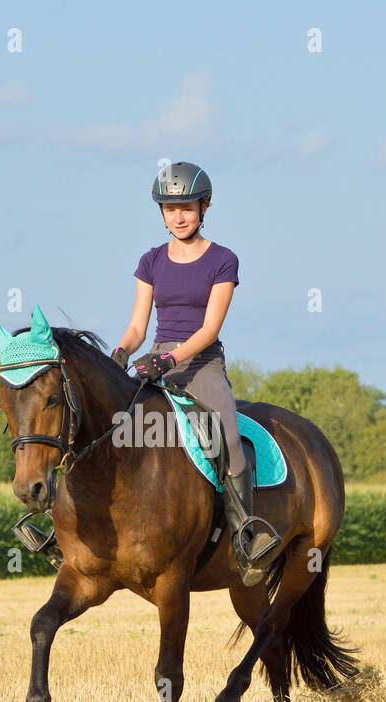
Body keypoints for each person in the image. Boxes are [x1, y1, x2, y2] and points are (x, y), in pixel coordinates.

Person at [110, 161, 280, 586]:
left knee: (225, 437)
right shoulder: (150, 261)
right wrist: (119, 353)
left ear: (204, 207)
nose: (179, 216)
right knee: (108, 426)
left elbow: (209, 329)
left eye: (186, 207)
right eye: (170, 209)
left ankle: (246, 536)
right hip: (154, 360)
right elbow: (136, 327)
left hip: (201, 364)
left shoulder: (223, 260)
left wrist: (171, 360)